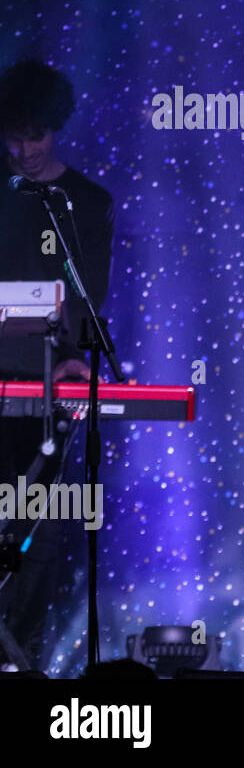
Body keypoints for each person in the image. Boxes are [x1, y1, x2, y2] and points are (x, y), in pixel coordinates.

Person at [0, 58, 115, 673]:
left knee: (37, 532)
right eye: (13, 135)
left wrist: (72, 357)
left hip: (48, 387)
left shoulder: (85, 204)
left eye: (36, 135)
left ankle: (22, 664)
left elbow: (84, 300)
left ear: (57, 128)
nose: (24, 150)